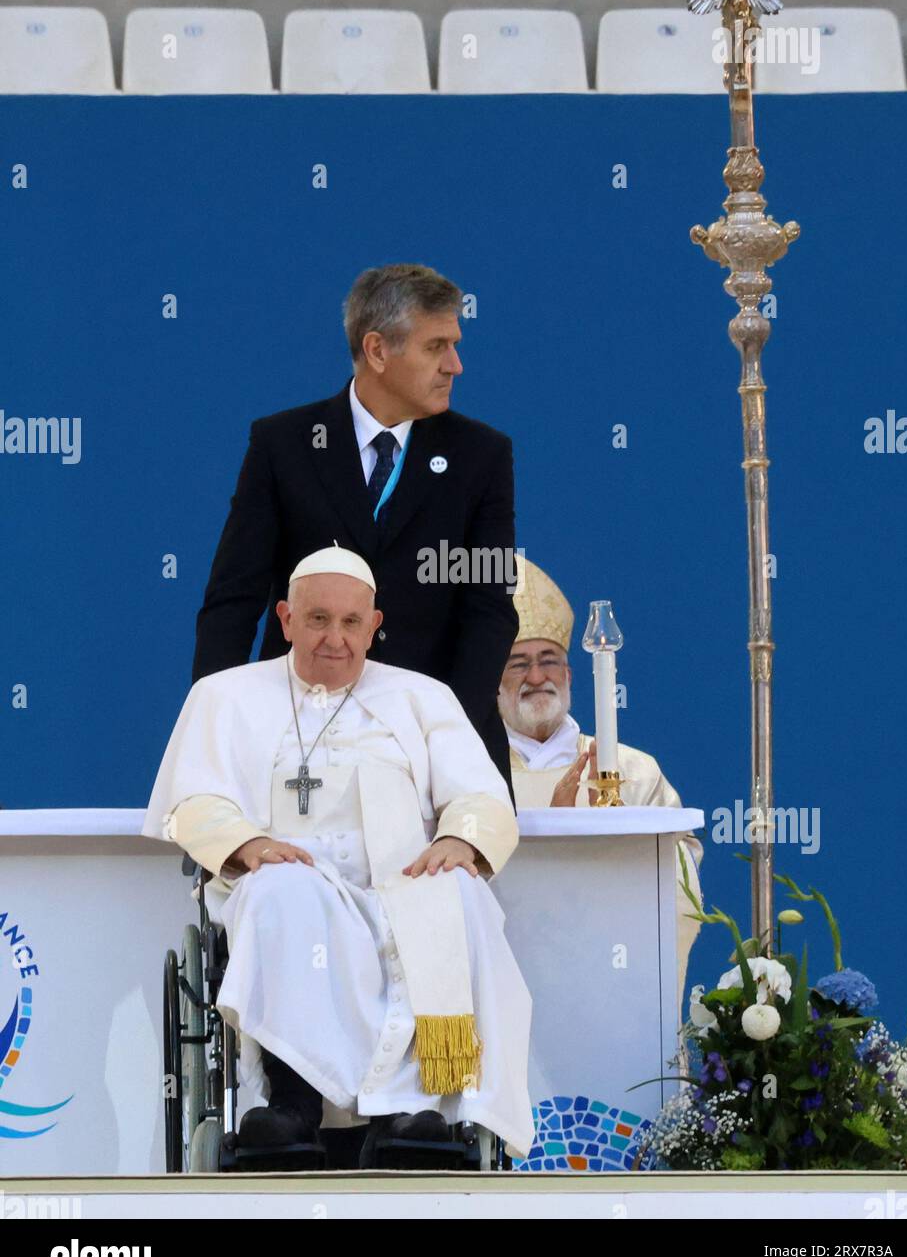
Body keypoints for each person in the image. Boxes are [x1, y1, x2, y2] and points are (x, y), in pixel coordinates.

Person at [144, 545, 535, 1166]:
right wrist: (248, 845)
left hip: (401, 881)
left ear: (374, 625)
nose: (335, 639)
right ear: (285, 619)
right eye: (318, 619)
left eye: (352, 622)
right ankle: (292, 1104)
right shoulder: (225, 696)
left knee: (453, 892)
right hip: (290, 875)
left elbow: (483, 796)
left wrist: (459, 837)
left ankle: (414, 1109)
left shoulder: (421, 697)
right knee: (282, 889)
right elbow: (192, 802)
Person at [191, 263, 517, 791]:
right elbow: (234, 600)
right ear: (378, 350)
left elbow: (490, 609)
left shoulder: (482, 456)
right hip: (290, 743)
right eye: (436, 347)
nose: (455, 365)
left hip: (437, 751)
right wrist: (211, 740)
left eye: (454, 344)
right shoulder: (283, 446)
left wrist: (441, 734)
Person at [497, 556, 704, 1016]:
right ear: (496, 682)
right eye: (519, 664)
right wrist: (552, 835)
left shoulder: (634, 769)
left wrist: (602, 846)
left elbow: (680, 874)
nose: (536, 677)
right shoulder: (474, 771)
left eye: (549, 661)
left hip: (614, 997)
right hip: (510, 993)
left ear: (570, 675)